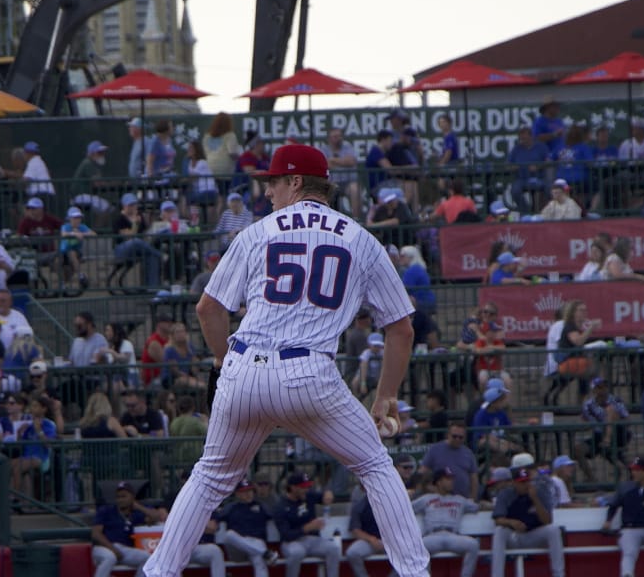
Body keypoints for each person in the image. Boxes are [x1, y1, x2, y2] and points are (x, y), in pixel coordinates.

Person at [140, 143, 430, 577]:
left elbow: (208, 309)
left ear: (296, 181)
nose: (268, 190)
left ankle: (157, 573)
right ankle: (414, 573)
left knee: (208, 478)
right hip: (308, 373)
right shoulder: (361, 239)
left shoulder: (257, 232)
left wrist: (223, 364)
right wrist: (385, 396)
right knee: (374, 465)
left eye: (274, 181)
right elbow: (401, 328)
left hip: (243, 367)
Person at [490, 467, 563, 577]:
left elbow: (547, 521)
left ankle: (559, 574)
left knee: (553, 530)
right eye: (522, 482)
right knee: (499, 531)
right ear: (514, 483)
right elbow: (498, 520)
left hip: (532, 536)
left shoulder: (538, 492)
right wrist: (511, 522)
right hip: (514, 537)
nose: (526, 484)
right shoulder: (506, 494)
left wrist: (535, 499)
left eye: (527, 481)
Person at [412, 469, 482, 577]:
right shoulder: (426, 499)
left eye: (451, 479)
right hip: (432, 536)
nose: (451, 482)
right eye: (447, 479)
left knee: (473, 545)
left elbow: (478, 507)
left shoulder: (459, 499)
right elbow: (406, 509)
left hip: (452, 536)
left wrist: (489, 505)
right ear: (439, 482)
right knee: (417, 547)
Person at [272, 473, 340, 577]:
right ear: (293, 487)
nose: (306, 489)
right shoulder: (280, 507)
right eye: (303, 487)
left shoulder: (308, 495)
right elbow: (286, 535)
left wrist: (328, 494)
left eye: (308, 486)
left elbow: (323, 496)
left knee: (333, 549)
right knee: (297, 553)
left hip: (313, 540)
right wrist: (307, 528)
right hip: (292, 542)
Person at [90, 481, 163, 577]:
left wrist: (138, 506)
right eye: (118, 497)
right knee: (110, 557)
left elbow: (157, 517)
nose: (120, 500)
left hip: (124, 550)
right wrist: (113, 549)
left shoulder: (136, 513)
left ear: (132, 497)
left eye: (124, 496)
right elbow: (96, 534)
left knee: (148, 558)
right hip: (104, 548)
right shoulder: (106, 511)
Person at [213, 479, 277, 576]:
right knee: (229, 535)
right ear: (237, 494)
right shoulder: (231, 508)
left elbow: (276, 516)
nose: (248, 494)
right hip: (237, 548)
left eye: (250, 490)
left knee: (259, 558)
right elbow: (216, 517)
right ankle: (266, 553)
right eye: (244, 491)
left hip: (255, 542)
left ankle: (264, 553)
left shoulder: (260, 506)